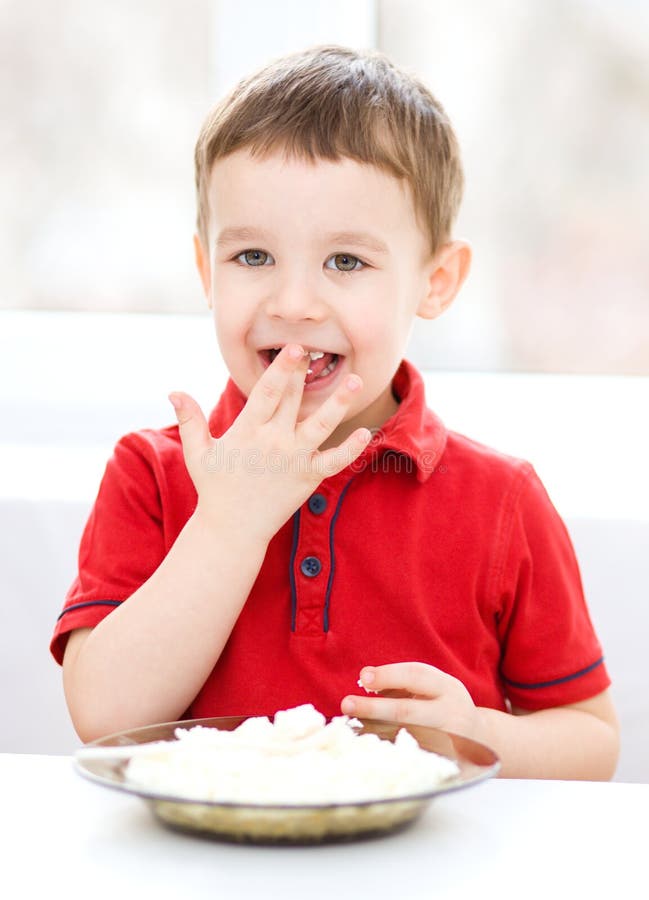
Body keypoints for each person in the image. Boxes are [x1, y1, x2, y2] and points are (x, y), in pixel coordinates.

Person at [51, 45, 619, 778]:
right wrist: (228, 522)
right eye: (252, 257)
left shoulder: (501, 499)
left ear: (435, 283)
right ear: (204, 272)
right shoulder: (152, 473)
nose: (292, 303)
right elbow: (105, 717)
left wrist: (474, 733)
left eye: (345, 262)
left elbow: (590, 742)